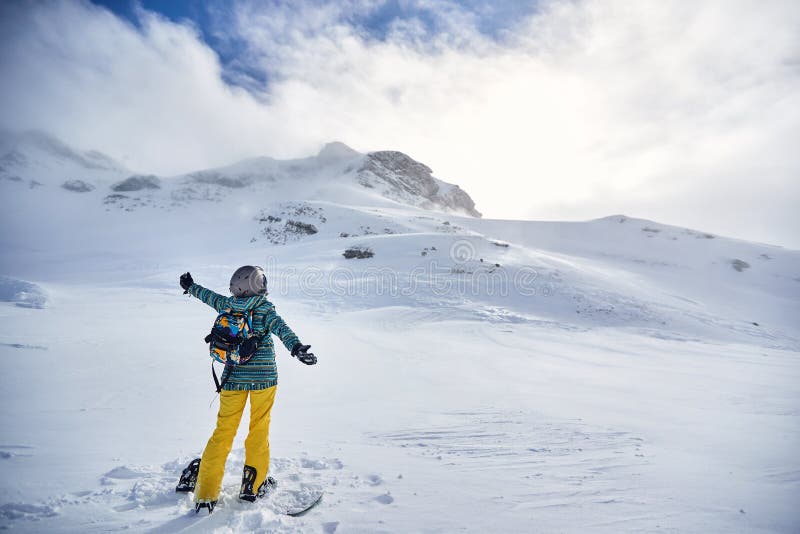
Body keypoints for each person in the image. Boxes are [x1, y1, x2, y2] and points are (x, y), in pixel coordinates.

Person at [175, 266, 317, 514]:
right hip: (264, 380)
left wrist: (190, 287)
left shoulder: (228, 304)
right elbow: (282, 328)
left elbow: (208, 297)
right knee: (258, 430)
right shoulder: (264, 308)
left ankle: (206, 494)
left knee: (223, 433)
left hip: (233, 379)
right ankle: (253, 486)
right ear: (256, 284)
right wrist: (297, 349)